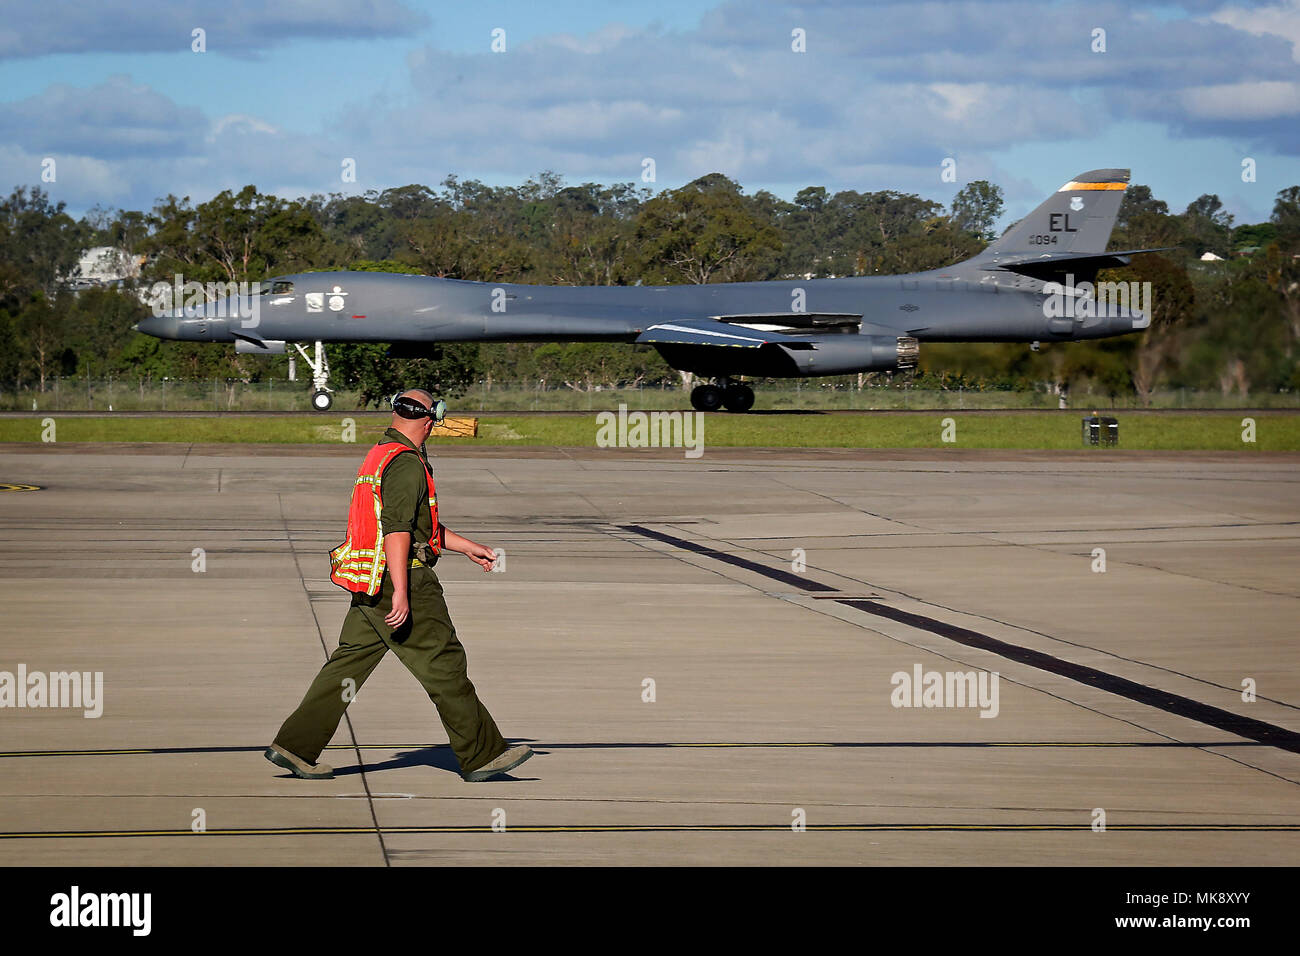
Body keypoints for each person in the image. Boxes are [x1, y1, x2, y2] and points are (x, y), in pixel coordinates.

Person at [266, 388, 532, 782]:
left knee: (347, 666)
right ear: (429, 419)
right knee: (444, 665)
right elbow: (397, 531)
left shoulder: (380, 454)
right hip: (401, 579)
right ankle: (482, 755)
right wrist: (404, 591)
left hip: (369, 581)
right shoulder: (407, 463)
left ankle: (295, 746)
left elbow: (414, 525)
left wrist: (466, 547)